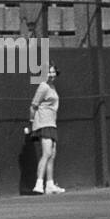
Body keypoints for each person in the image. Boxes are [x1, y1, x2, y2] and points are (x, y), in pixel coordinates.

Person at [29, 65, 63, 195]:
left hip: (51, 123)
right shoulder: (43, 86)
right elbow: (33, 106)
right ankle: (38, 184)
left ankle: (50, 184)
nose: (51, 74)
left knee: (52, 154)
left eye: (53, 72)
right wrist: (32, 123)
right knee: (47, 153)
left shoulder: (52, 87)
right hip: (43, 123)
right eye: (49, 72)